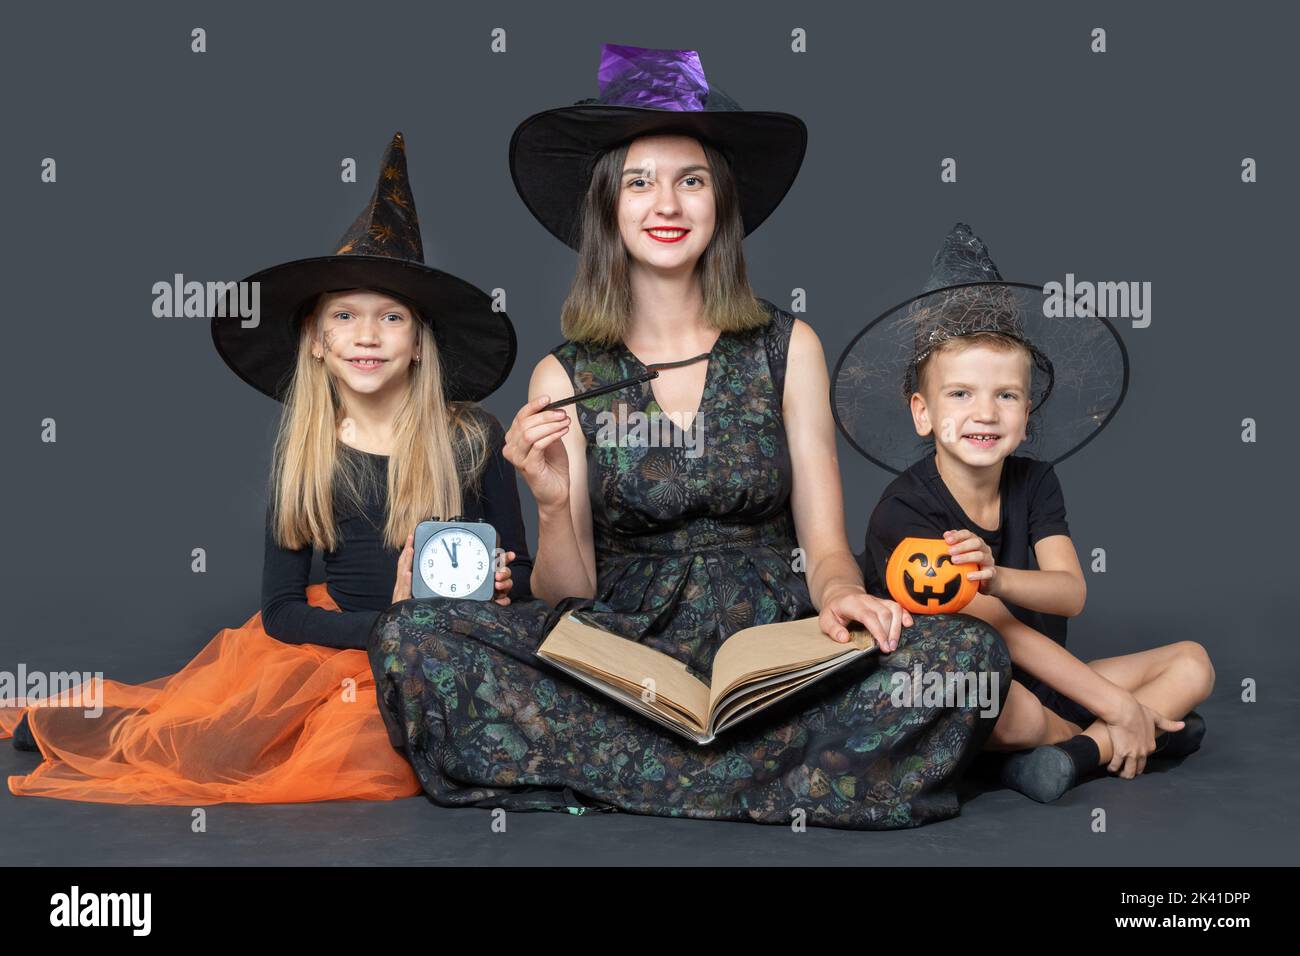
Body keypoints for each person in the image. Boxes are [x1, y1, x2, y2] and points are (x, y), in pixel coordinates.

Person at [367, 45, 1012, 829]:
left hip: (779, 647)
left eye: (691, 181)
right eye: (639, 182)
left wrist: (843, 594)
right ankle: (793, 781)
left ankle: (646, 781)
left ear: (720, 205)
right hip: (627, 655)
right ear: (608, 207)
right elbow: (567, 597)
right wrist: (553, 498)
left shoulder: (787, 346)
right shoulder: (563, 375)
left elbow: (826, 544)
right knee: (415, 635)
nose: (665, 203)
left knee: (962, 656)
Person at [0, 132, 533, 804]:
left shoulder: (473, 438)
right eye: (345, 316)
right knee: (220, 749)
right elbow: (281, 613)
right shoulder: (311, 456)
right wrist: (387, 626)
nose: (367, 337)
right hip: (345, 654)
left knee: (433, 751)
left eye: (391, 318)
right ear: (314, 339)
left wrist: (508, 584)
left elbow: (528, 575)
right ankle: (98, 727)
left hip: (454, 652)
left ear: (421, 344)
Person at [835, 222, 1214, 803]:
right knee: (1017, 715)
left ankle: (1080, 754)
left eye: (1005, 395)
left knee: (1194, 664)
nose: (984, 413)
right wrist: (1118, 705)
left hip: (1052, 673)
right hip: (978, 686)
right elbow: (1001, 628)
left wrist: (999, 574)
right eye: (960, 394)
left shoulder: (1036, 480)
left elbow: (1070, 593)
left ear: (1027, 409)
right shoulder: (903, 510)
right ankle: (1130, 734)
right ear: (922, 412)